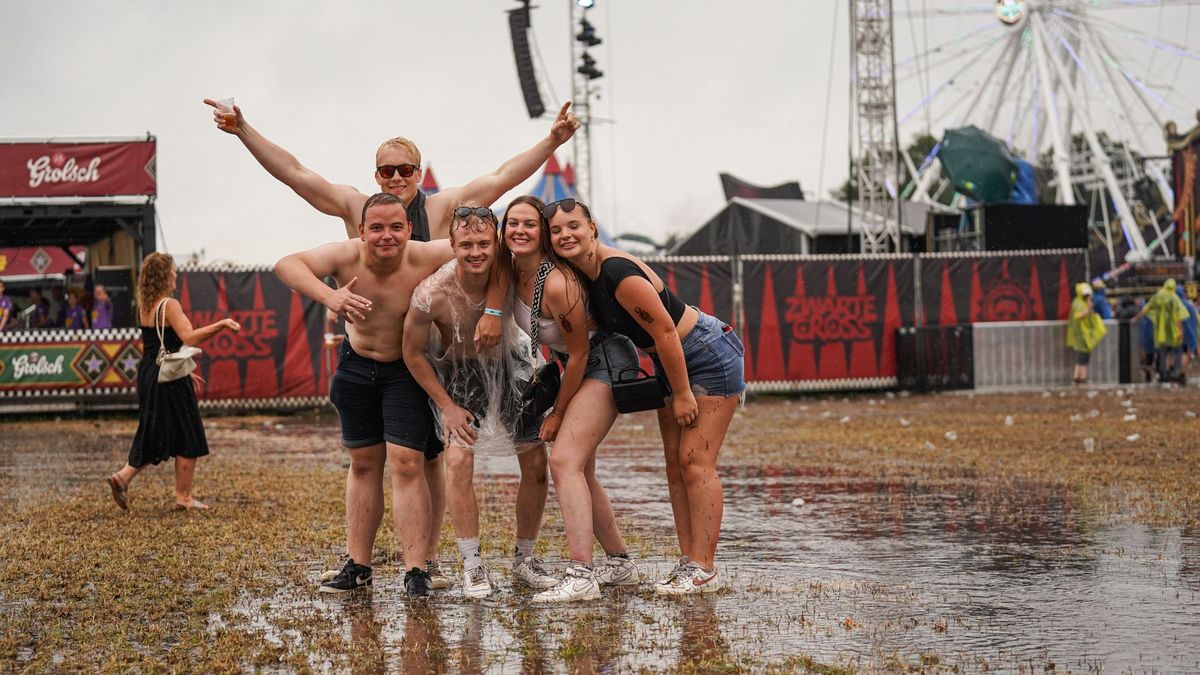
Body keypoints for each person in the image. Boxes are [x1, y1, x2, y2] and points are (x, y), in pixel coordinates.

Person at [204, 97, 576, 586]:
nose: (396, 179)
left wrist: (552, 141)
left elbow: (499, 183)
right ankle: (377, 561)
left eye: (405, 170)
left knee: (426, 458)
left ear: (419, 172)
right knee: (387, 460)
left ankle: (426, 560)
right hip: (371, 352)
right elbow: (295, 174)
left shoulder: (441, 213)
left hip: (430, 355)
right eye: (386, 172)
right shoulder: (355, 210)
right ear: (374, 184)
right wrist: (244, 129)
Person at [546, 198, 745, 596]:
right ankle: (689, 563)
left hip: (703, 355)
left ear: (593, 230)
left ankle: (704, 568)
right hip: (670, 362)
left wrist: (683, 392)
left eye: (574, 226)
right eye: (556, 230)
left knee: (695, 462)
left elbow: (667, 332)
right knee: (675, 466)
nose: (566, 234)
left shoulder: (618, 272)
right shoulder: (578, 274)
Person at [275, 192, 457, 597]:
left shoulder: (426, 255)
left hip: (406, 368)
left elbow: (487, 242)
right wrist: (330, 295)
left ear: (410, 230)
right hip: (356, 364)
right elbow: (286, 264)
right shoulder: (345, 256)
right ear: (361, 231)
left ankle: (416, 570)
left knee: (408, 464)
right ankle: (358, 565)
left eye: (396, 227)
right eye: (376, 228)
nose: (386, 236)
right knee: (363, 463)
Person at [402, 205, 555, 599]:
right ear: (450, 245)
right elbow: (413, 353)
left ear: (496, 244)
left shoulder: (507, 270)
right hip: (460, 374)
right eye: (466, 244)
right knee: (457, 459)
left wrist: (491, 310)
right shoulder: (430, 295)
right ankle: (472, 565)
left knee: (536, 461)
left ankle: (525, 559)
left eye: (484, 243)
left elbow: (505, 264)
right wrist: (446, 407)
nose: (476, 252)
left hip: (512, 364)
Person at [496, 195, 641, 603]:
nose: (520, 231)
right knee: (581, 471)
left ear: (542, 233)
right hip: (573, 365)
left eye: (530, 224)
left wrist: (558, 412)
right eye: (512, 224)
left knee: (563, 461)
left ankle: (581, 574)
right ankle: (621, 564)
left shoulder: (557, 282)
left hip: (602, 362)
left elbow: (578, 354)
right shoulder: (511, 272)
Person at [104, 253, 241, 512]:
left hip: (150, 374)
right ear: (164, 275)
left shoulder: (145, 305)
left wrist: (184, 371)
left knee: (155, 430)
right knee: (188, 432)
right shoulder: (169, 305)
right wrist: (221, 324)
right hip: (167, 379)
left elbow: (158, 346)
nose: (176, 275)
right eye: (173, 271)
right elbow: (189, 337)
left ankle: (122, 477)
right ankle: (183, 497)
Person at [1134, 279, 1189, 385]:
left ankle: (1164, 374)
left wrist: (1136, 318)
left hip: (1161, 332)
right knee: (1176, 353)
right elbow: (1179, 316)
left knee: (1163, 354)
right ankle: (1176, 374)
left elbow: (1146, 309)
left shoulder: (1158, 296)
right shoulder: (1174, 298)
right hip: (1174, 332)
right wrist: (1181, 332)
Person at [1066, 282, 1106, 385]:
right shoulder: (1078, 303)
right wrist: (1088, 308)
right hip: (1081, 335)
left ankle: (1080, 377)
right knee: (1081, 357)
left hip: (1085, 334)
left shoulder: (1081, 302)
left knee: (1084, 357)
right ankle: (1079, 378)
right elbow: (1078, 316)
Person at [1176, 284, 1198, 371]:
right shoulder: (1188, 305)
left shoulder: (1175, 304)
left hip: (1176, 333)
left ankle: (1175, 371)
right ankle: (1182, 372)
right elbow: (1194, 319)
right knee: (1185, 353)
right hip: (1188, 333)